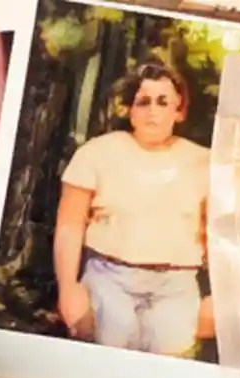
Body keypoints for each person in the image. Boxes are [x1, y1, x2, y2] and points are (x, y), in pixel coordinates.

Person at [53, 63, 210, 357]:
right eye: (143, 102)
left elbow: (222, 235)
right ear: (129, 110)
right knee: (107, 361)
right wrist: (68, 289)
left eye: (163, 102)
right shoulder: (97, 153)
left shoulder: (204, 163)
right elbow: (69, 224)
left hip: (176, 286)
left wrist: (220, 299)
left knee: (166, 367)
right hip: (109, 279)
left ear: (179, 111)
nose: (153, 111)